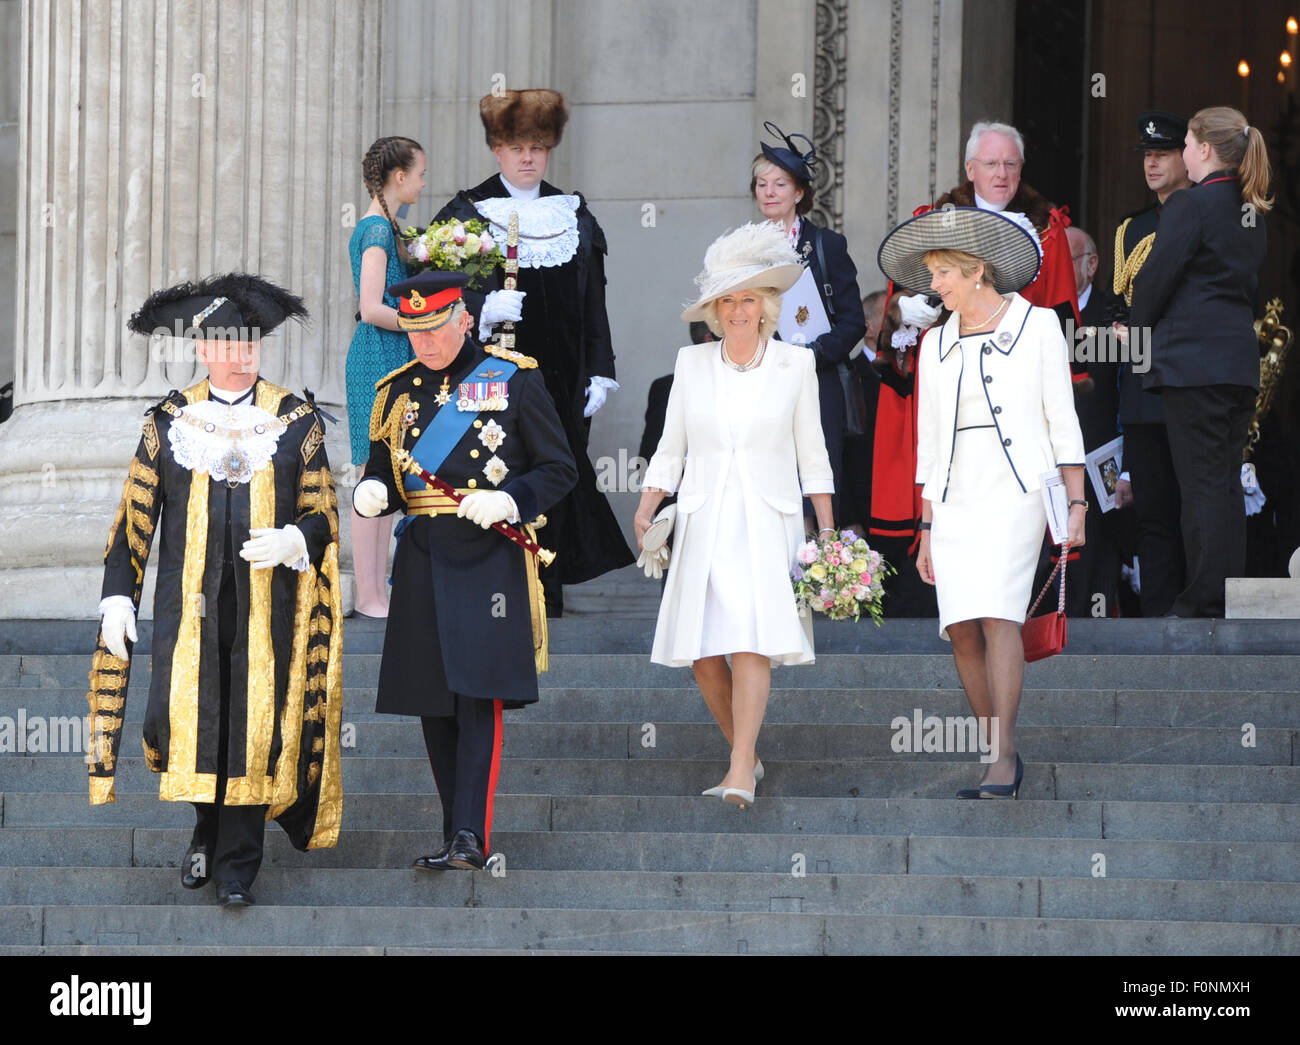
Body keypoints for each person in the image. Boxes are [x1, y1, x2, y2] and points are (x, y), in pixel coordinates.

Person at [88, 274, 345, 907]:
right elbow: (135, 517)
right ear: (205, 349)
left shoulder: (294, 419)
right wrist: (118, 595)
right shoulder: (169, 422)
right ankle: (205, 830)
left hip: (270, 610)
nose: (243, 351)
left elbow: (324, 510)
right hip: (190, 613)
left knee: (255, 725)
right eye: (229, 341)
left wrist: (299, 539)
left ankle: (238, 868)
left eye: (251, 339)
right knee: (193, 724)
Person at [353, 271, 576, 870]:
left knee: (478, 698)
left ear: (465, 320)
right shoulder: (395, 391)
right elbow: (383, 466)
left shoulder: (513, 378)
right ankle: (453, 830)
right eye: (414, 332)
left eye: (435, 329)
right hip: (423, 553)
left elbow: (560, 468)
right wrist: (373, 490)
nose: (424, 344)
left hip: (488, 554)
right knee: (433, 701)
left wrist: (512, 500)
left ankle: (472, 835)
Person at [879, 207, 1086, 797]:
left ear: (976, 271)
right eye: (931, 274)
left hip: (1018, 488)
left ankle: (1004, 755)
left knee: (999, 615)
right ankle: (989, 739)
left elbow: (1061, 420)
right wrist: (925, 521)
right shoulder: (936, 341)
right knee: (961, 626)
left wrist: (1076, 505)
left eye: (941, 272)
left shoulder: (1038, 324)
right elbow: (930, 436)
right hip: (956, 495)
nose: (933, 285)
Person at [635, 223, 835, 806]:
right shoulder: (691, 364)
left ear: (767, 306)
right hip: (703, 519)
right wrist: (648, 505)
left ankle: (741, 766)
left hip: (769, 521)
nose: (740, 309)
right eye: (729, 300)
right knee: (702, 652)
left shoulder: (795, 367)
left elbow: (814, 455)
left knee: (749, 643)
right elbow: (671, 447)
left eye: (749, 298)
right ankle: (744, 752)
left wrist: (826, 534)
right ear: (715, 312)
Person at [433, 89, 633, 617]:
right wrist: (482, 303)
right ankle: (495, 580)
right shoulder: (466, 212)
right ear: (497, 150)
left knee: (556, 466)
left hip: (562, 373)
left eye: (538, 148)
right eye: (518, 146)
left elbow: (595, 299)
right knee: (496, 461)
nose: (528, 158)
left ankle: (549, 585)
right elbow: (427, 291)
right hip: (489, 368)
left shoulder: (573, 213)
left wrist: (600, 370)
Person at [1130, 106, 1271, 618]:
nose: (1183, 153)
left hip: (1194, 367)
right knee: (1223, 481)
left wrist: (1135, 329)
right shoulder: (1250, 209)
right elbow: (1248, 293)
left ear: (1205, 150)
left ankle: (1204, 597)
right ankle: (1226, 590)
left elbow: (1155, 280)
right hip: (1236, 365)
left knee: (1201, 485)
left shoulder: (1190, 205)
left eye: (1186, 144)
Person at [751, 123, 866, 526]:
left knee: (818, 477)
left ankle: (819, 569)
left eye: (779, 184)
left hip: (818, 380)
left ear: (799, 193)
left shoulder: (825, 245)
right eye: (761, 184)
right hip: (760, 381)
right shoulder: (743, 248)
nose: (768, 192)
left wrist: (813, 354)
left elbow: (854, 322)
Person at [1111, 110, 1193, 616]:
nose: (1152, 163)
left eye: (1162, 153)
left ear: (1188, 156)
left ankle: (1199, 609)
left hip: (1190, 384)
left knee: (1198, 508)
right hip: (1144, 392)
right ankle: (1159, 616)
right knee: (1154, 512)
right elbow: (1121, 305)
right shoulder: (1132, 228)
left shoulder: (1207, 217)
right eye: (1146, 155)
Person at [346, 136, 425, 619]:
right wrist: (425, 322)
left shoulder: (388, 224)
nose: (421, 182)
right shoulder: (376, 229)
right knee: (372, 474)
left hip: (392, 354)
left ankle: (379, 590)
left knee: (387, 475)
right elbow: (371, 308)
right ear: (399, 177)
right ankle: (368, 594)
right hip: (377, 357)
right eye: (419, 173)